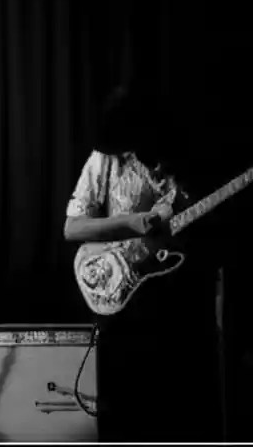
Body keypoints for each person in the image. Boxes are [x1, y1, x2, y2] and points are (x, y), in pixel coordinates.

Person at [64, 84, 223, 442]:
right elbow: (72, 228)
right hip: (124, 303)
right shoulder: (105, 159)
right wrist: (132, 223)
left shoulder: (186, 159)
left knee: (177, 408)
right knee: (123, 407)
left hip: (180, 300)